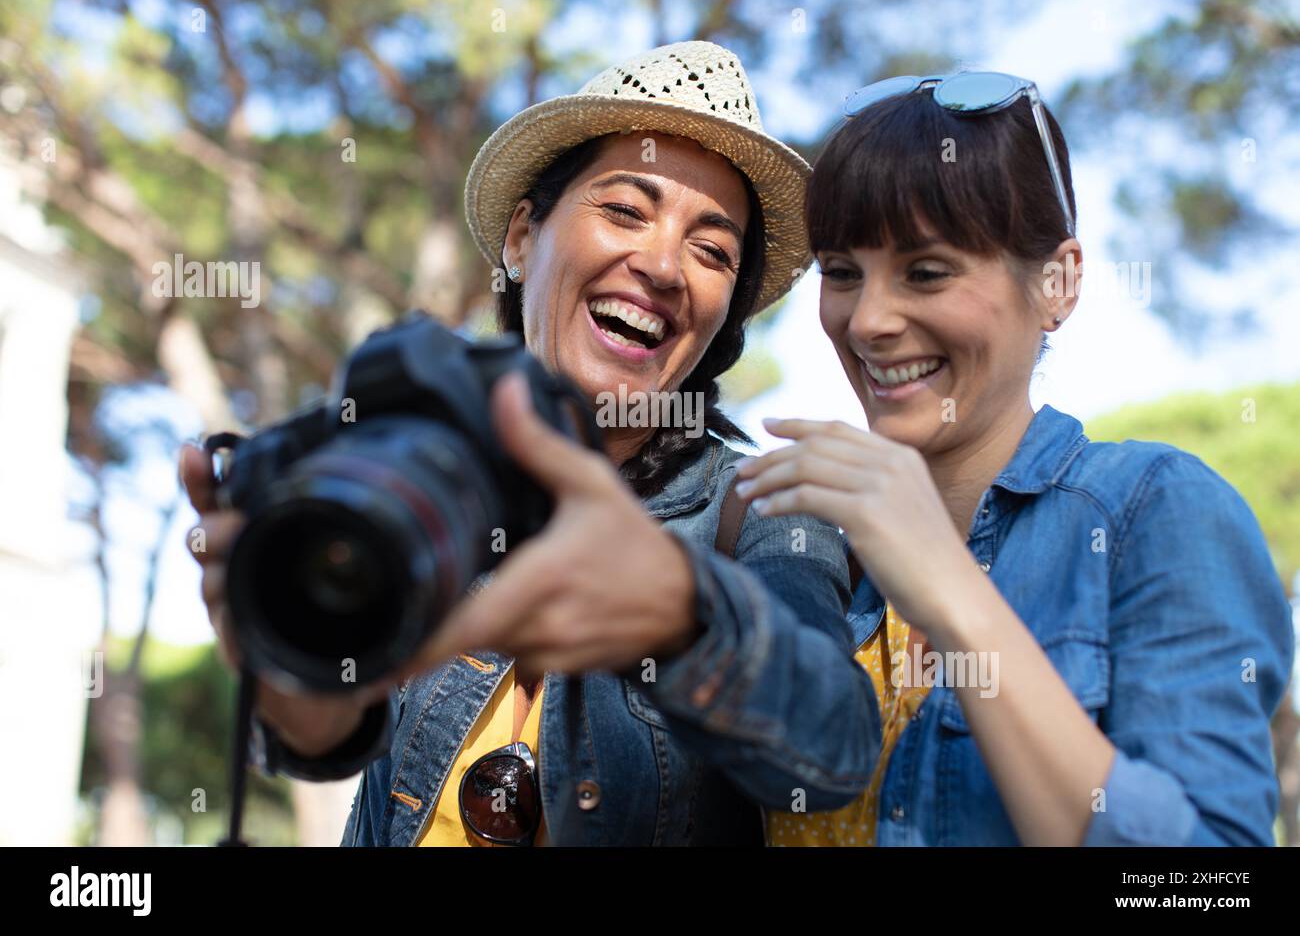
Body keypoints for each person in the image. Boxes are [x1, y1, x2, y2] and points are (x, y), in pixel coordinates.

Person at [179, 41, 877, 846]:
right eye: (624, 210)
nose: (660, 265)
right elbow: (325, 734)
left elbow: (832, 748)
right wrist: (291, 654)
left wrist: (683, 619)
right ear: (521, 238)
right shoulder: (420, 475)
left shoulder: (769, 510)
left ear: (725, 318)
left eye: (712, 250)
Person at [738, 72, 1295, 846]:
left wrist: (959, 600)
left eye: (926, 271)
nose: (867, 321)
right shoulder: (807, 554)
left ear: (1058, 282)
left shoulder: (1157, 512)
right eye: (841, 272)